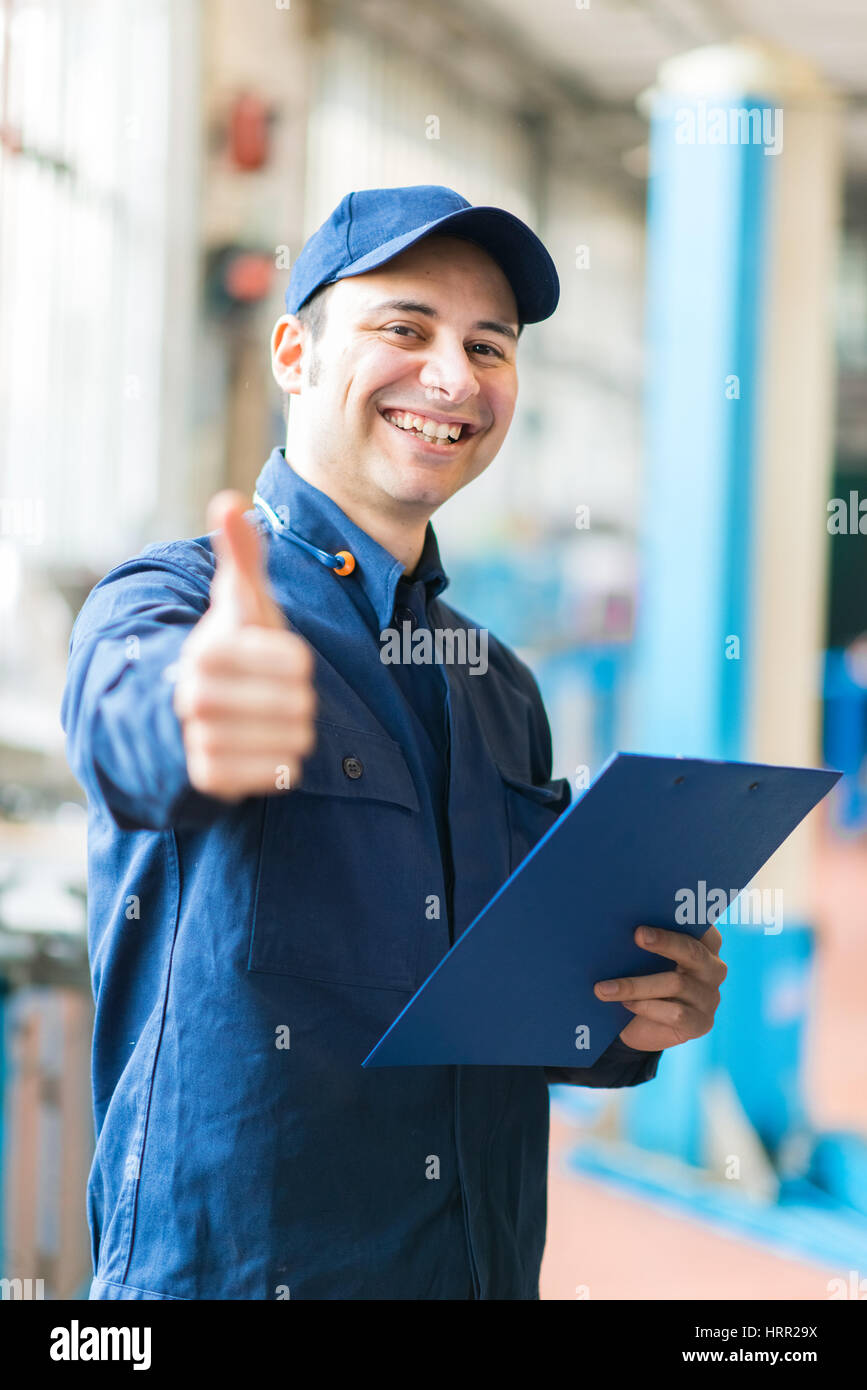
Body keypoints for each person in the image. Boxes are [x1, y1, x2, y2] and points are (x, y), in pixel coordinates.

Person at [61, 184, 726, 1300]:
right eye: (404, 329)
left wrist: (640, 1013)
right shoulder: (173, 607)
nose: (454, 376)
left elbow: (516, 998)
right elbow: (131, 727)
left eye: (488, 345)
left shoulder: (498, 685)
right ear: (293, 353)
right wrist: (193, 715)